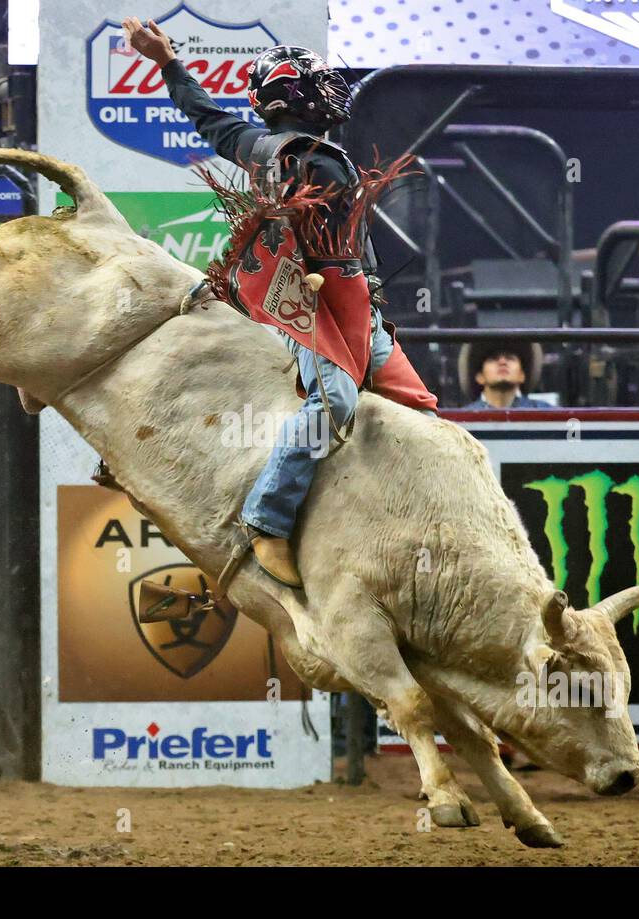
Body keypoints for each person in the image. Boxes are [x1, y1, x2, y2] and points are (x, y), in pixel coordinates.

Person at [122, 17, 438, 588]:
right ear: (294, 96)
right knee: (333, 400)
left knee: (418, 409)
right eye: (317, 84)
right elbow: (218, 129)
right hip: (309, 299)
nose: (331, 91)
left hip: (351, 296)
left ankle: (393, 518)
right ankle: (267, 519)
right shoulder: (299, 155)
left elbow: (211, 121)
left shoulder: (270, 147)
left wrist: (169, 63)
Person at [458, 341, 553, 410]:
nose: (502, 362)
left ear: (522, 375)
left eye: (510, 358)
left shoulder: (546, 413)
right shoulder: (460, 422)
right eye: (493, 358)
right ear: (480, 377)